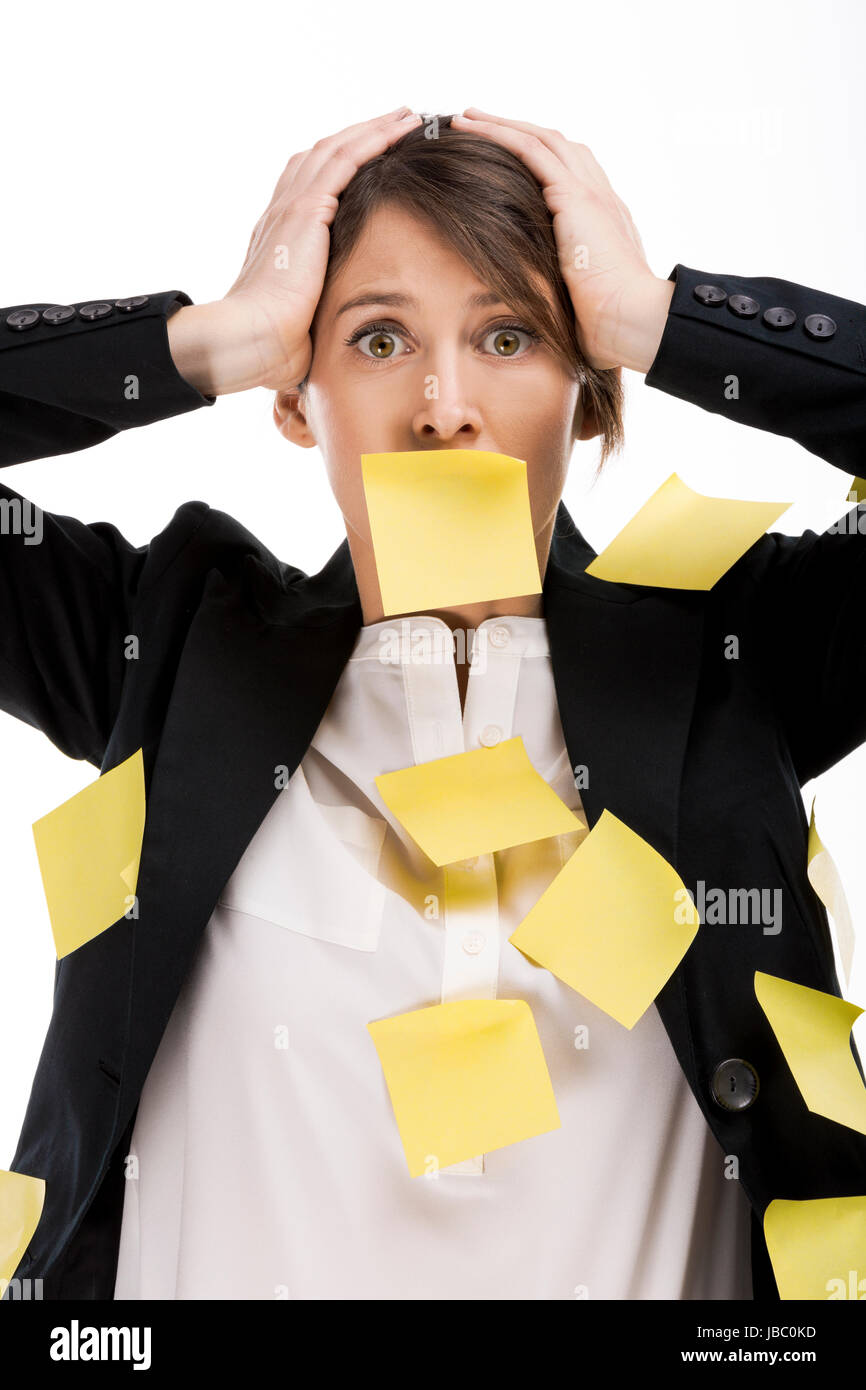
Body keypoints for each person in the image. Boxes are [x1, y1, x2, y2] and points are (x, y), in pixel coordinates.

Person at [2, 107, 864, 1301]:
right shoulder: (171, 642)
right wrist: (218, 336)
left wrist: (665, 323)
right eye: (375, 340)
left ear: (590, 390)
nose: (442, 402)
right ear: (297, 400)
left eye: (508, 336)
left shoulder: (734, 658)